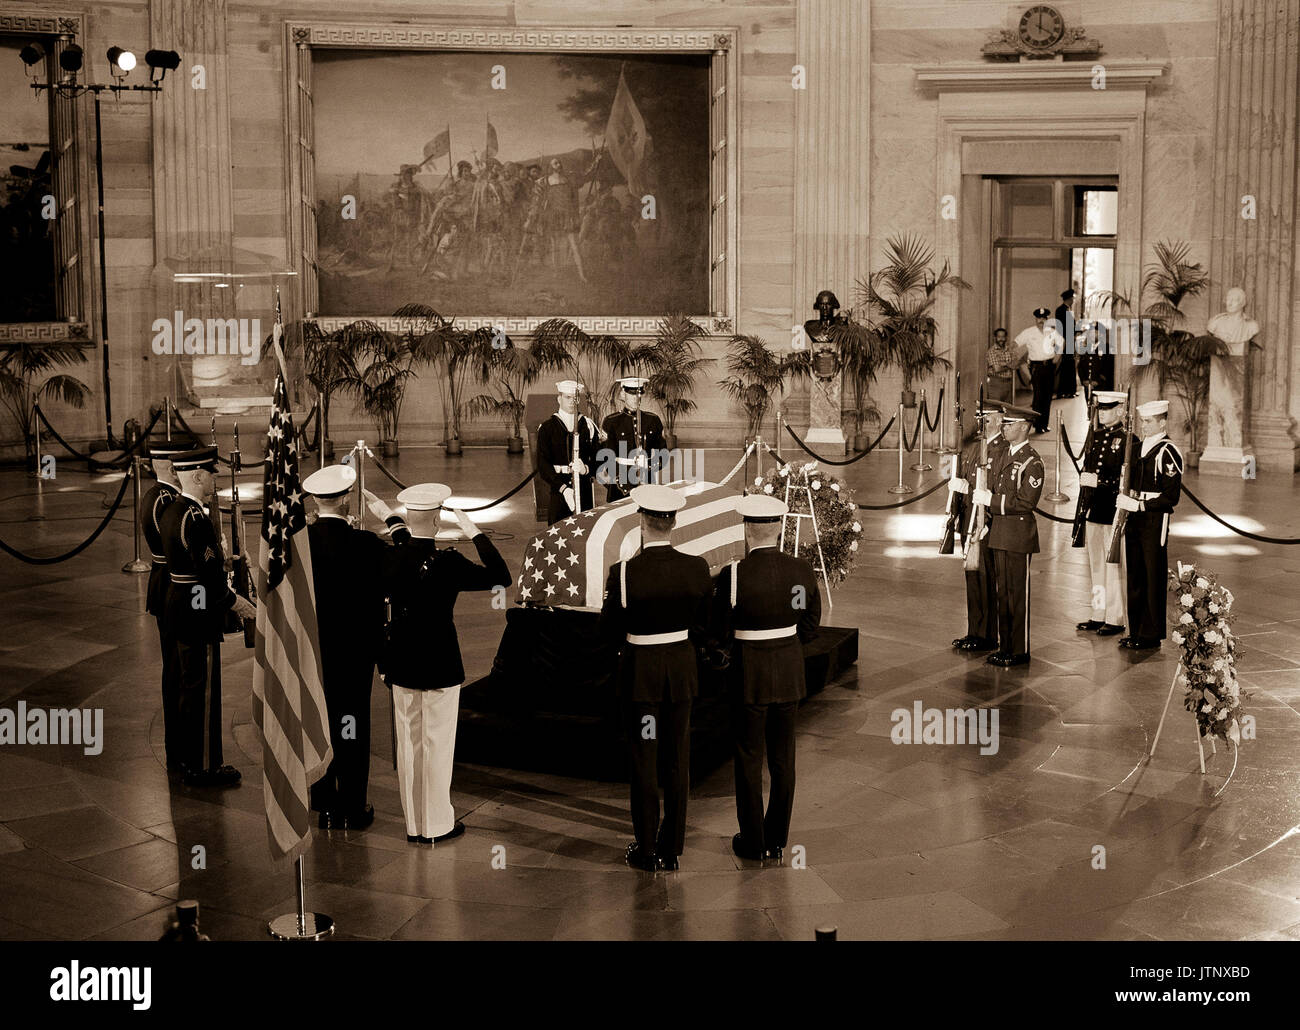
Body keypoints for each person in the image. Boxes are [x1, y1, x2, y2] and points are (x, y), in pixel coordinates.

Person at [367, 483, 510, 844]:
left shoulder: (388, 557)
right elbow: (500, 575)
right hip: (439, 664)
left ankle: (414, 824)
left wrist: (390, 517)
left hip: (400, 664)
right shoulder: (449, 563)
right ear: (437, 519)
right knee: (437, 746)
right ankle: (437, 824)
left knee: (409, 746)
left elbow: (406, 544)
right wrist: (473, 531)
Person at [597, 484, 712, 872]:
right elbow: (704, 622)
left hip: (643, 680)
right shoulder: (696, 567)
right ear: (674, 521)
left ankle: (646, 847)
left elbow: (608, 629)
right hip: (680, 675)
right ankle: (672, 846)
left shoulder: (625, 573)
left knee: (645, 759)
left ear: (642, 521)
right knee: (678, 760)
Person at [712, 494, 821, 863]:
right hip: (789, 672)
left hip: (749, 676)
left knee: (748, 757)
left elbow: (719, 630)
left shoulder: (734, 575)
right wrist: (786, 646)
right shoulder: (799, 571)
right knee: (783, 759)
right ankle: (777, 838)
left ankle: (754, 839)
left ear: (747, 530)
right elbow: (809, 623)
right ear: (779, 529)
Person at [301, 464, 405, 831]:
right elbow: (403, 570)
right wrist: (393, 521)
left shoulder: (300, 545)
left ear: (315, 501)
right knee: (352, 725)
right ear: (346, 499)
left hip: (313, 652)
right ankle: (353, 805)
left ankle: (324, 801)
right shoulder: (366, 545)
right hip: (357, 653)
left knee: (319, 722)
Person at [159, 446, 256, 787]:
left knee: (189, 683)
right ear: (198, 475)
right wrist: (236, 602)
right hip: (197, 609)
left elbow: (195, 563)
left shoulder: (172, 510)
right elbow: (208, 574)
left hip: (178, 602)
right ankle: (203, 766)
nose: (215, 478)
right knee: (202, 688)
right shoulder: (195, 518)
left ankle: (186, 758)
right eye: (211, 473)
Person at [971, 405, 1044, 667]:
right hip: (1001, 532)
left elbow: (1026, 502)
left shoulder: (1032, 461)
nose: (1005, 428)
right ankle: (1006, 646)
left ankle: (1019, 649)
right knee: (1003, 593)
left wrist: (991, 500)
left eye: (1010, 424)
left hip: (1018, 535)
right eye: (1005, 424)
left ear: (1025, 427)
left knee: (1016, 594)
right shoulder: (1005, 455)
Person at [1117, 400, 1183, 650]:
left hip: (1153, 518)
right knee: (1135, 572)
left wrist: (1142, 506)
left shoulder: (1168, 452)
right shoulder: (1135, 448)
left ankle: (1151, 633)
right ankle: (1136, 630)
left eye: (1148, 421)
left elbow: (1171, 496)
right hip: (1133, 515)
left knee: (1152, 573)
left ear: (1162, 422)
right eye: (1143, 421)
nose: (1143, 426)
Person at [140, 438, 188, 773]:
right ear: (173, 466)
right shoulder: (167, 500)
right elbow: (178, 552)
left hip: (163, 581)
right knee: (179, 671)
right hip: (173, 583)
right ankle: (181, 748)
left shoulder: (154, 495)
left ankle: (179, 746)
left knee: (174, 669)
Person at [949, 402, 1006, 653]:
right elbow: (967, 480)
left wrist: (988, 520)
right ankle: (974, 630)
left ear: (995, 420)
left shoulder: (1002, 449)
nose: (978, 420)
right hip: (969, 520)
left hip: (984, 523)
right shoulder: (974, 447)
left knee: (985, 578)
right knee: (972, 576)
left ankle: (987, 635)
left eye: (983, 416)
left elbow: (999, 489)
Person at [1075, 391, 1128, 637]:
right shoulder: (1095, 437)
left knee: (1113, 566)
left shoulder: (1128, 440)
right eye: (1101, 409)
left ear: (1120, 410)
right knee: (1096, 565)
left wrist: (1100, 481)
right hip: (1094, 508)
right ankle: (1099, 613)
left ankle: (1115, 617)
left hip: (1112, 510)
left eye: (1108, 409)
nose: (1103, 413)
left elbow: (1125, 480)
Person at [536, 380, 602, 523]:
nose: (572, 401)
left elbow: (599, 459)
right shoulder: (547, 428)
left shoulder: (588, 426)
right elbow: (543, 464)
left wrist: (586, 469)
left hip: (584, 490)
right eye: (567, 397)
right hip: (559, 490)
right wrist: (563, 488)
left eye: (575, 398)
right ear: (559, 399)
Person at [599, 376, 665, 503]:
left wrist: (649, 464)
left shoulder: (653, 420)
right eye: (632, 393)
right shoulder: (611, 422)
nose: (636, 397)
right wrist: (624, 482)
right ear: (623, 394)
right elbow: (607, 457)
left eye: (639, 393)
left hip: (647, 483)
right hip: (620, 485)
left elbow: (663, 453)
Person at [1015, 308, 1064, 433]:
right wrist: (1010, 354)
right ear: (1035, 319)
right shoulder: (1029, 332)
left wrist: (1057, 357)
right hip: (1036, 368)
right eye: (1038, 318)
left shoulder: (1052, 332)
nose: (1041, 321)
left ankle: (1044, 424)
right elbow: (1016, 343)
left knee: (1047, 396)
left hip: (1049, 367)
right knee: (1038, 396)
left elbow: (1062, 342)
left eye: (1043, 318)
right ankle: (1036, 425)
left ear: (1047, 319)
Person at [985, 329, 1027, 404]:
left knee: (1007, 409)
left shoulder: (1010, 350)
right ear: (995, 338)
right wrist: (1009, 364)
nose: (1001, 339)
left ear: (1006, 338)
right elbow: (997, 369)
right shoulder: (991, 351)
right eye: (999, 337)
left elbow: (1016, 364)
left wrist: (1004, 364)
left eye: (1003, 337)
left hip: (1008, 383)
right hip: (996, 383)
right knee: (996, 409)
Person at [1054, 289, 1078, 399]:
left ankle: (1070, 390)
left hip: (1068, 341)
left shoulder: (1067, 310)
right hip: (1064, 342)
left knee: (1069, 365)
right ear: (1068, 299)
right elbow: (1061, 327)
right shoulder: (1061, 310)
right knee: (1066, 366)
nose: (1073, 300)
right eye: (1072, 298)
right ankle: (1064, 390)